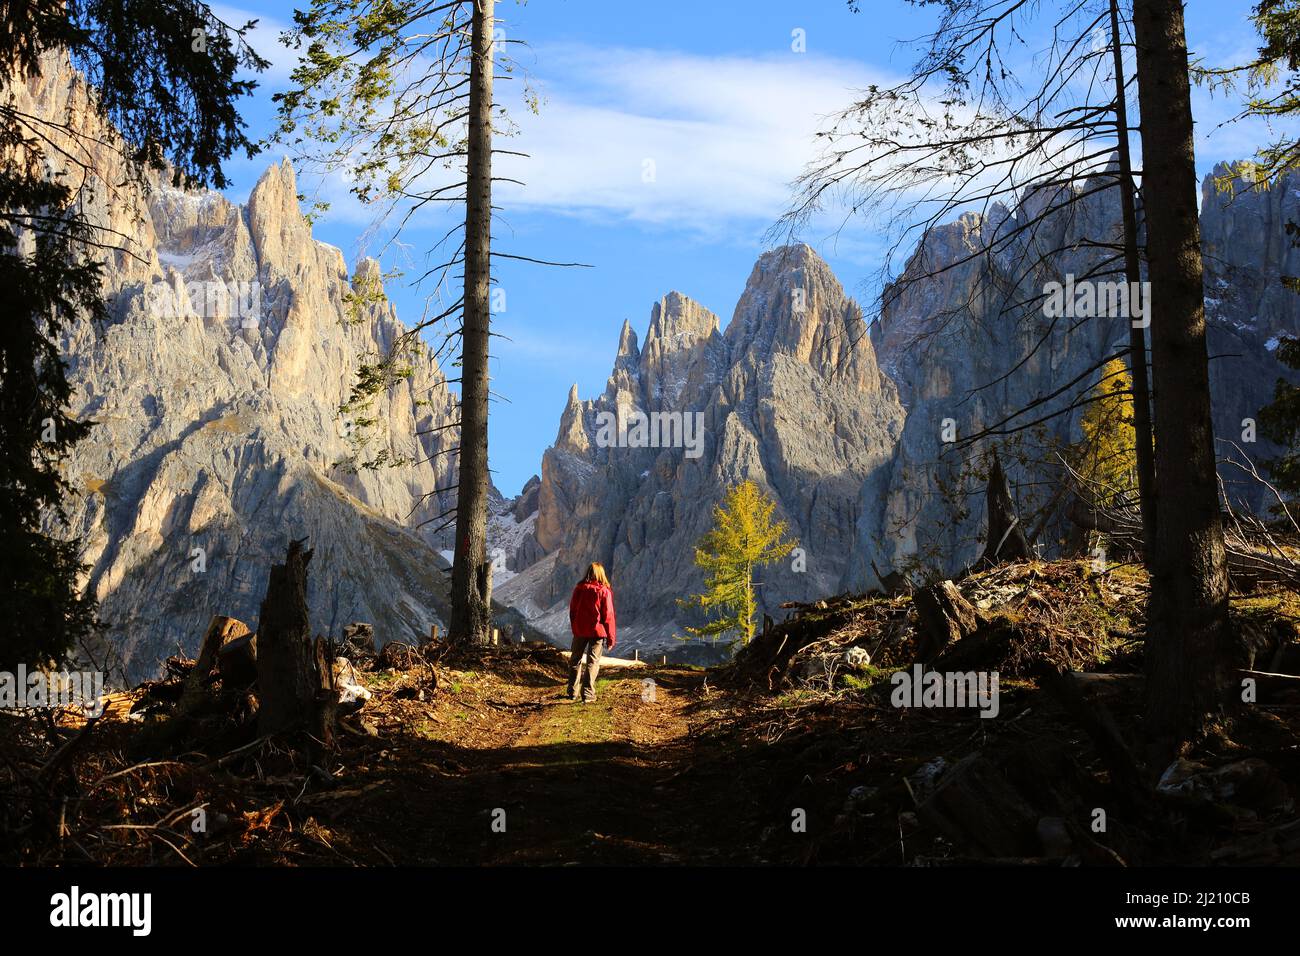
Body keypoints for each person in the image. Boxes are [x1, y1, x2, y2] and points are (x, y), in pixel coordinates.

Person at [566, 562, 617, 703]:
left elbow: (572, 611)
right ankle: (588, 694)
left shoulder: (579, 588)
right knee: (592, 661)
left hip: (580, 630)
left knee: (575, 660)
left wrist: (575, 626)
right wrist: (611, 638)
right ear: (601, 574)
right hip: (597, 632)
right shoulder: (604, 591)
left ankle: (572, 692)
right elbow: (608, 616)